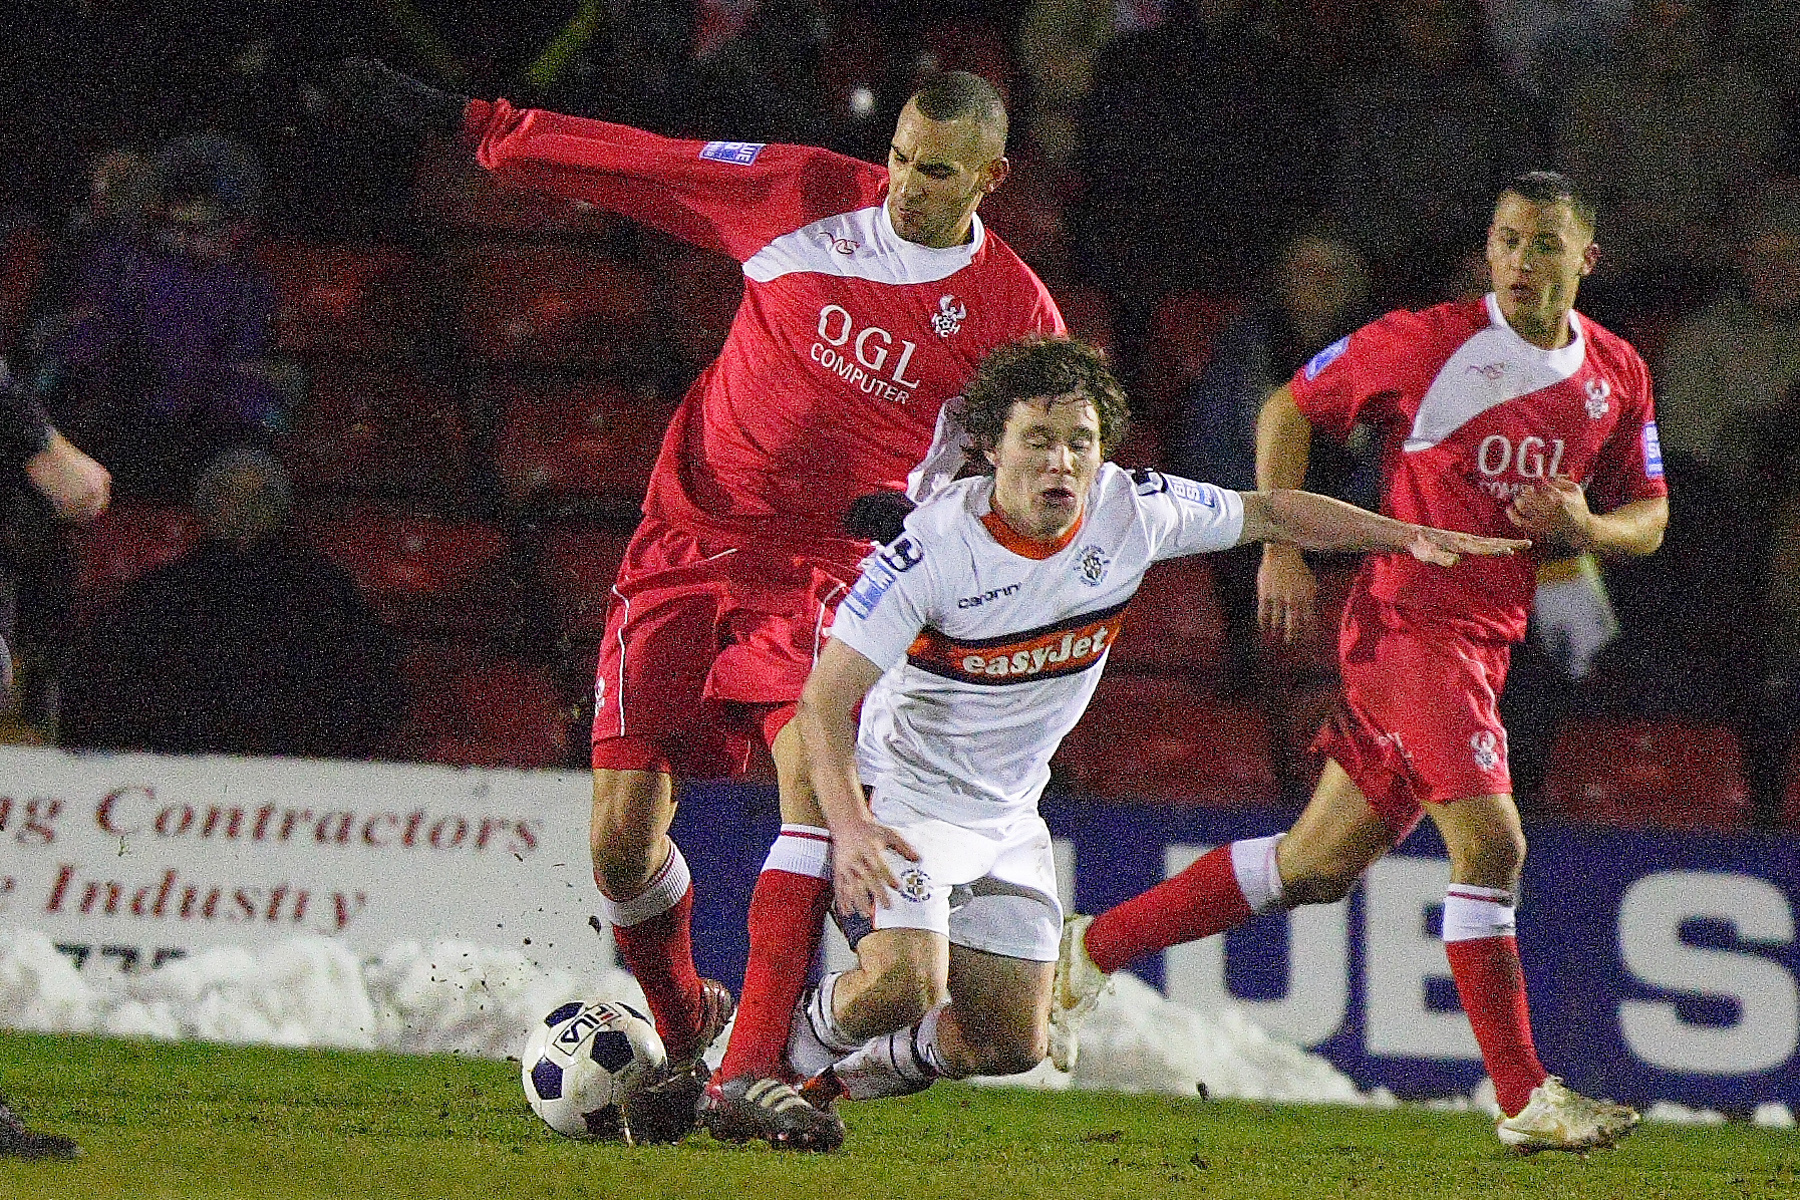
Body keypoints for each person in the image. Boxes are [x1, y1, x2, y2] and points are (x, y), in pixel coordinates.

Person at [325, 59, 1064, 1146]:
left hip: (828, 576)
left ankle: (749, 1070)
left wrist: (924, 516)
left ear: (991, 178)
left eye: (937, 173)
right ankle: (685, 1031)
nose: (907, 185)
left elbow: (1033, 483)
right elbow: (644, 165)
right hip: (684, 544)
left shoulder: (1015, 317)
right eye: (901, 158)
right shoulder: (803, 194)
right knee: (620, 845)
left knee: (808, 789)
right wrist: (480, 124)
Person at [1050, 171, 1667, 1153]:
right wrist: (1281, 542)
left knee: (1316, 866)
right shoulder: (1428, 342)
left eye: (1545, 243)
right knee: (1493, 846)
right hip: (1411, 626)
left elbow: (1651, 514)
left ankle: (1090, 947)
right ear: (1488, 248)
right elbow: (1288, 409)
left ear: (1586, 258)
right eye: (1507, 240)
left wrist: (1589, 527)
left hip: (1487, 640)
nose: (1521, 260)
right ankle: (1525, 1099)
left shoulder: (1618, 372)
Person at [778, 336, 1525, 1141]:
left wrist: (1402, 536)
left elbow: (1274, 511)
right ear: (991, 445)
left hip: (1007, 818)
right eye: (1038, 440)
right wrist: (850, 824)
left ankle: (828, 1083)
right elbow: (822, 704)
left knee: (1009, 1043)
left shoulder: (1132, 510)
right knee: (905, 984)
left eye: (1081, 442)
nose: (1061, 462)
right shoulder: (932, 547)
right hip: (905, 803)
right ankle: (767, 1065)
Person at [60, 449, 404, 759]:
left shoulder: (327, 595)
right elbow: (103, 688)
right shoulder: (160, 596)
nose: (243, 508)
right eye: (229, 495)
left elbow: (373, 693)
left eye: (257, 497)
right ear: (205, 507)